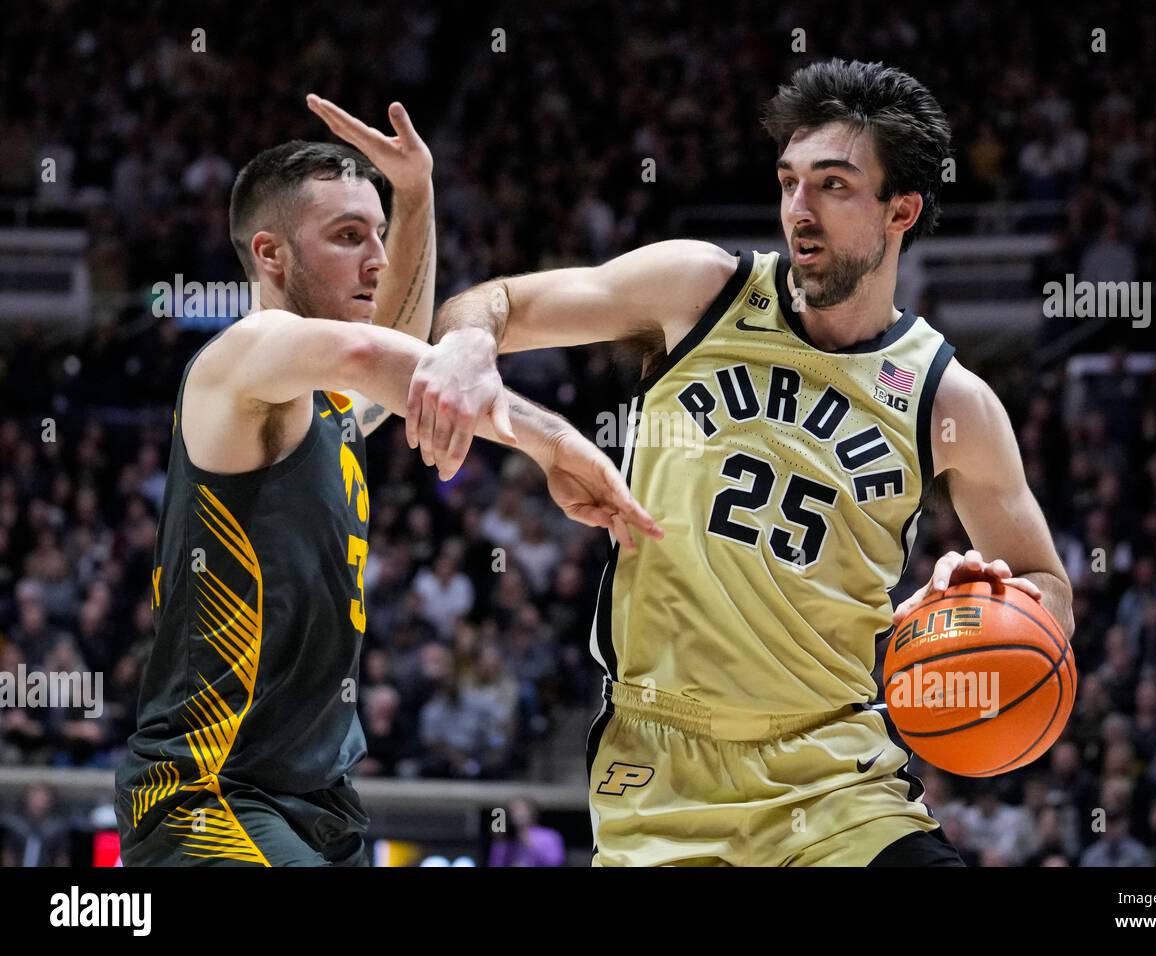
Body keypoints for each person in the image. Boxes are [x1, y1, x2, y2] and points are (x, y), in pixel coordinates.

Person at [422, 60, 1074, 866]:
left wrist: (996, 590)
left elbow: (1049, 591)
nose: (799, 210)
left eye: (833, 186)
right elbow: (496, 303)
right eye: (789, 181)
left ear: (901, 208)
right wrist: (466, 344)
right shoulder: (699, 291)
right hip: (659, 767)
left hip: (834, 778)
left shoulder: (949, 400)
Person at [114, 97, 659, 867]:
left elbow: (396, 341)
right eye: (346, 237)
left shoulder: (327, 411)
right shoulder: (246, 354)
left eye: (377, 234)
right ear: (270, 255)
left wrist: (417, 193)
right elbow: (382, 359)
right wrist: (556, 443)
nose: (375, 257)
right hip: (208, 797)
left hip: (314, 801)